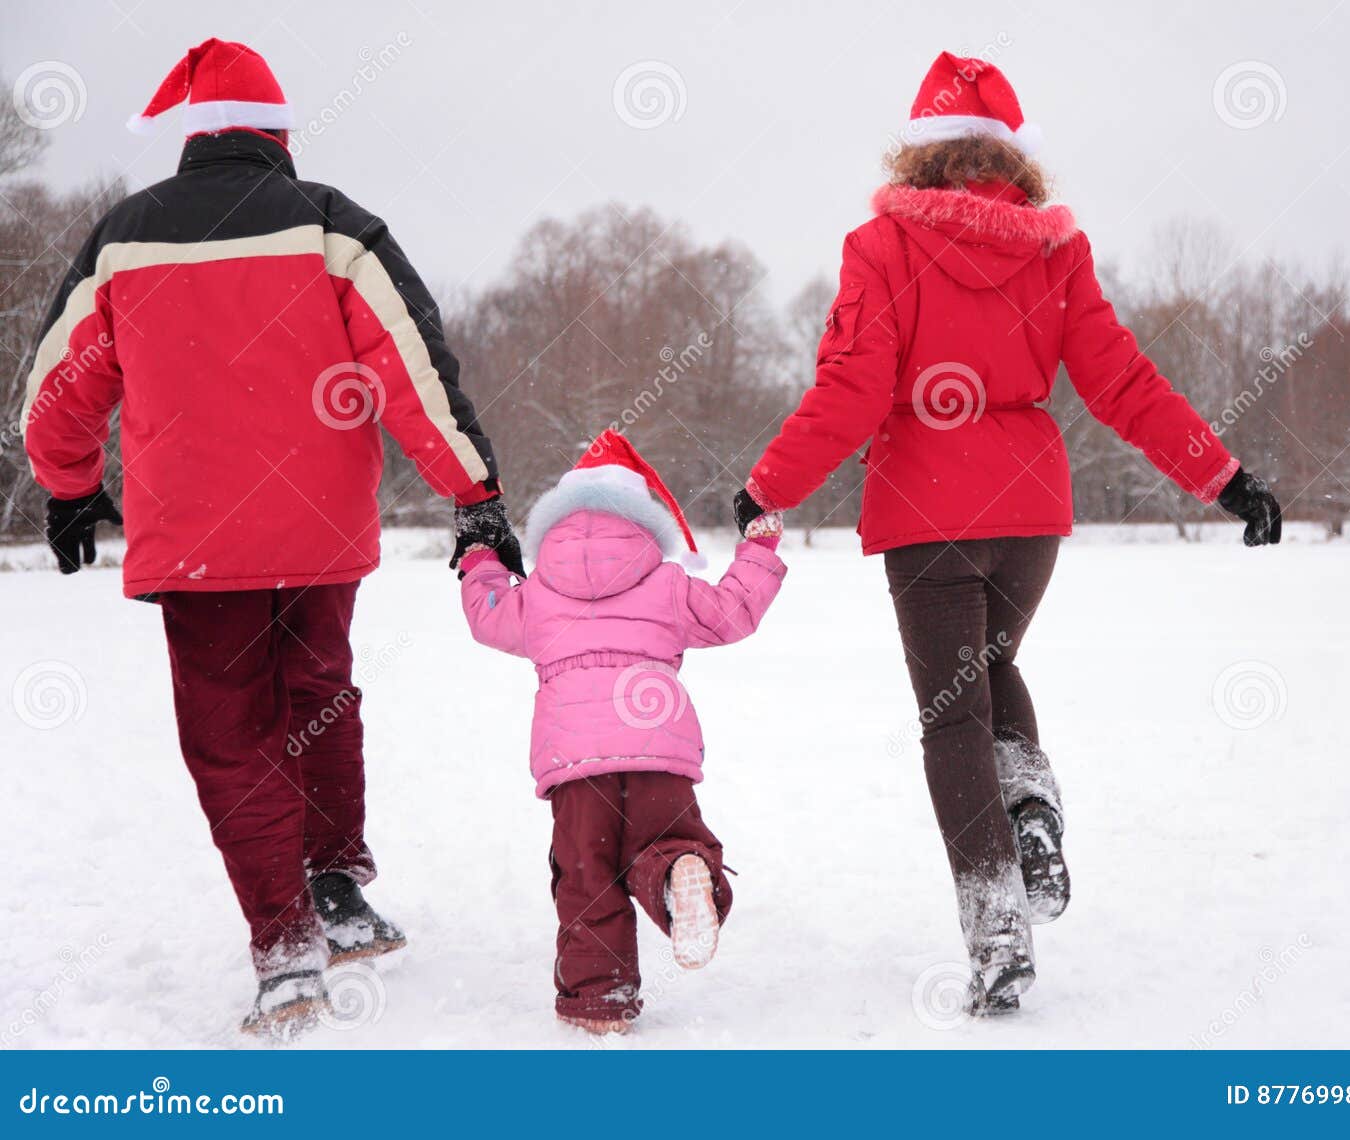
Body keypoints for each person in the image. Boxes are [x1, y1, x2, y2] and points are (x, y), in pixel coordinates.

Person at [733, 53, 1282, 1015]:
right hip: (1030, 516)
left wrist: (767, 485)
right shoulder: (1054, 251)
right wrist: (1223, 476)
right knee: (988, 671)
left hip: (925, 514)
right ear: (1014, 163)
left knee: (953, 715)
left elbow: (853, 389)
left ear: (921, 154)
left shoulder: (883, 246)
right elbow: (1123, 382)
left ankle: (995, 928)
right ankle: (1027, 805)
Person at [19, 39, 523, 1038]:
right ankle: (337, 888)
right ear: (278, 135)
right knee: (319, 699)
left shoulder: (126, 237)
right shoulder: (332, 223)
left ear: (191, 143)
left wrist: (69, 486)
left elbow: (56, 390)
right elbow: (412, 366)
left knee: (230, 737)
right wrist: (473, 492)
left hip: (197, 544)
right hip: (320, 533)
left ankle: (285, 945)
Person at [458, 430, 785, 1035]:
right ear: (643, 523)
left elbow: (488, 618)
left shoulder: (539, 594)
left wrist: (480, 558)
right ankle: (677, 869)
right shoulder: (666, 584)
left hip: (574, 763)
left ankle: (599, 999)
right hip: (658, 749)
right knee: (663, 836)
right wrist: (758, 547)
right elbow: (733, 612)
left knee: (585, 874)